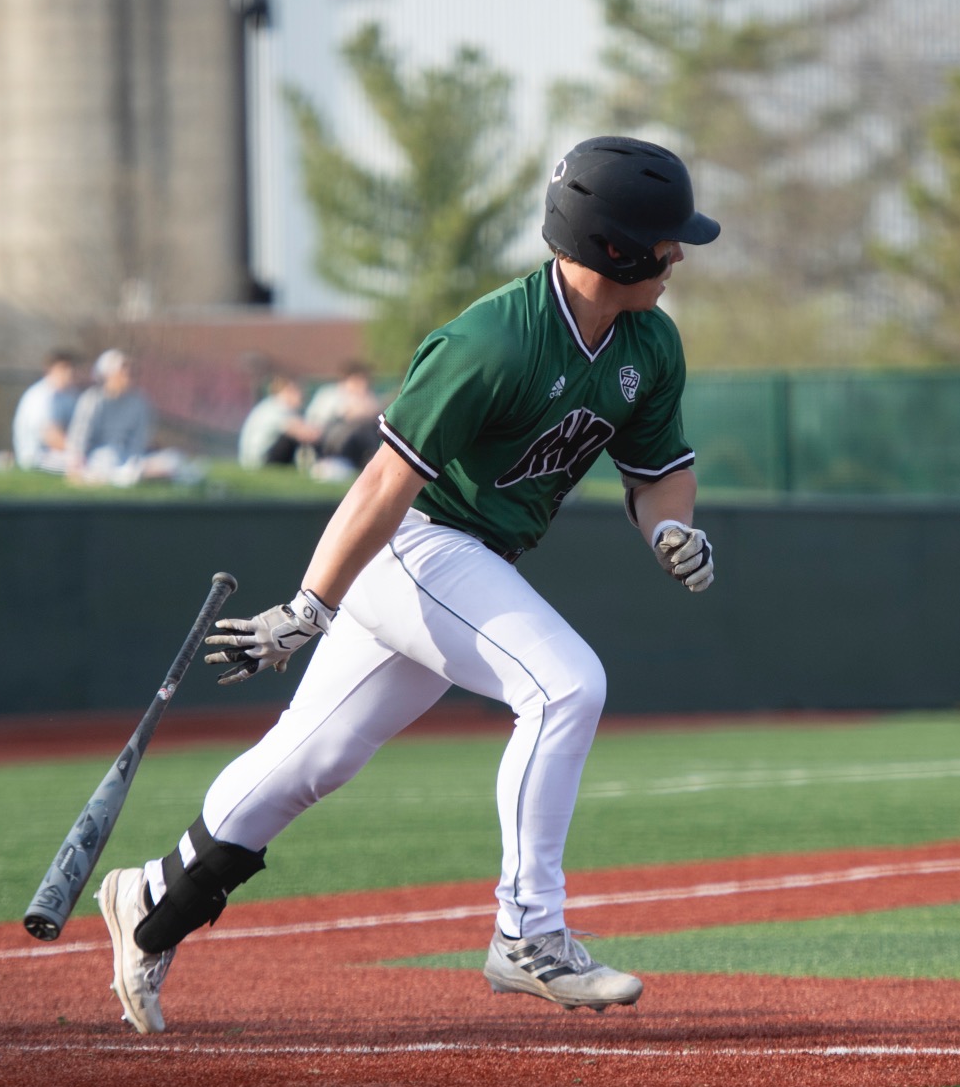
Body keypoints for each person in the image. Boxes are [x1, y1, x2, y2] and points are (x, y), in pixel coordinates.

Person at [97, 136, 720, 1034]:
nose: (681, 254)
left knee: (311, 761)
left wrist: (670, 525)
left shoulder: (649, 342)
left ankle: (149, 900)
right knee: (567, 684)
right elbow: (383, 483)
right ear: (618, 249)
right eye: (668, 239)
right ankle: (528, 930)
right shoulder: (493, 339)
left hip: (467, 566)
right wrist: (308, 606)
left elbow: (657, 467)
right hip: (417, 546)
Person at [66, 350, 182, 485]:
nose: (128, 375)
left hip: (131, 456)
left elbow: (140, 437)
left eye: (130, 371)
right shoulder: (92, 399)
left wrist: (134, 459)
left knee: (173, 459)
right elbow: (79, 435)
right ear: (108, 374)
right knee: (109, 459)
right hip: (100, 456)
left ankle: (131, 474)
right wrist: (76, 463)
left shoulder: (139, 401)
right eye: (123, 371)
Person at [303, 362, 385, 478]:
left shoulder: (366, 396)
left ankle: (376, 459)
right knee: (362, 425)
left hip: (352, 441)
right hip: (328, 441)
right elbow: (349, 414)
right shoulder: (332, 394)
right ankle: (375, 459)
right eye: (358, 381)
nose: (363, 386)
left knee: (371, 425)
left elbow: (377, 412)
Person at [237, 373, 324, 470]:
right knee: (290, 438)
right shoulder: (276, 407)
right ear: (288, 391)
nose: (302, 396)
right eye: (299, 391)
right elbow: (305, 433)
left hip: (255, 458)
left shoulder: (271, 405)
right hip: (259, 461)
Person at [13, 351, 81, 472]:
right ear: (49, 370)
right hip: (36, 457)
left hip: (57, 454)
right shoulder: (42, 395)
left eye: (72, 367)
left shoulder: (68, 395)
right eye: (64, 368)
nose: (69, 372)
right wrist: (79, 451)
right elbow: (50, 436)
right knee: (87, 465)